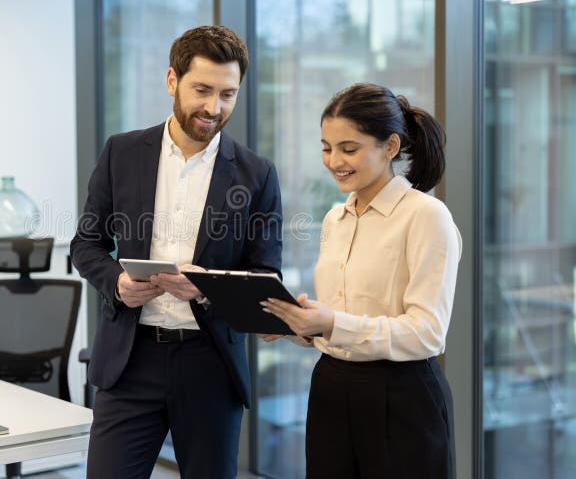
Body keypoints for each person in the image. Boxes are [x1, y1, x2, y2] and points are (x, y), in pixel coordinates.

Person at [70, 25, 282, 479]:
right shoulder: (121, 153)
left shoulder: (257, 174)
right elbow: (86, 244)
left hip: (210, 365)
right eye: (202, 90)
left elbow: (264, 273)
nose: (214, 107)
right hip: (130, 362)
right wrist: (117, 283)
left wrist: (207, 288)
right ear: (172, 81)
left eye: (228, 94)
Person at [261, 83, 461, 479]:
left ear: (390, 147)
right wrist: (291, 326)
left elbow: (428, 333)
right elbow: (338, 322)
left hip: (402, 397)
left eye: (348, 149)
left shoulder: (426, 216)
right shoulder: (336, 218)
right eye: (326, 147)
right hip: (331, 389)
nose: (334, 161)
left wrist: (332, 324)